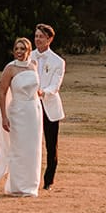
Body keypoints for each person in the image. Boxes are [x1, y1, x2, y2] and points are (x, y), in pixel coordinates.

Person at [0, 36, 43, 196]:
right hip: (18, 111)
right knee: (19, 148)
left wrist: (39, 94)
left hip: (34, 111)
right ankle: (17, 186)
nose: (19, 52)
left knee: (33, 149)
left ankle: (31, 185)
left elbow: (36, 86)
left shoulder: (34, 65)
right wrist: (4, 116)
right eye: (16, 49)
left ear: (29, 50)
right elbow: (2, 94)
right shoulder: (10, 69)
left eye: (22, 49)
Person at [33, 23, 65, 190]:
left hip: (49, 106)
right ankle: (31, 179)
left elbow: (55, 85)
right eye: (36, 36)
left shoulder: (58, 61)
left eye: (41, 37)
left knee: (51, 146)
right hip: (30, 106)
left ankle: (48, 181)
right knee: (31, 143)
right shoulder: (28, 57)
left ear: (49, 39)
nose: (38, 39)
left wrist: (42, 92)